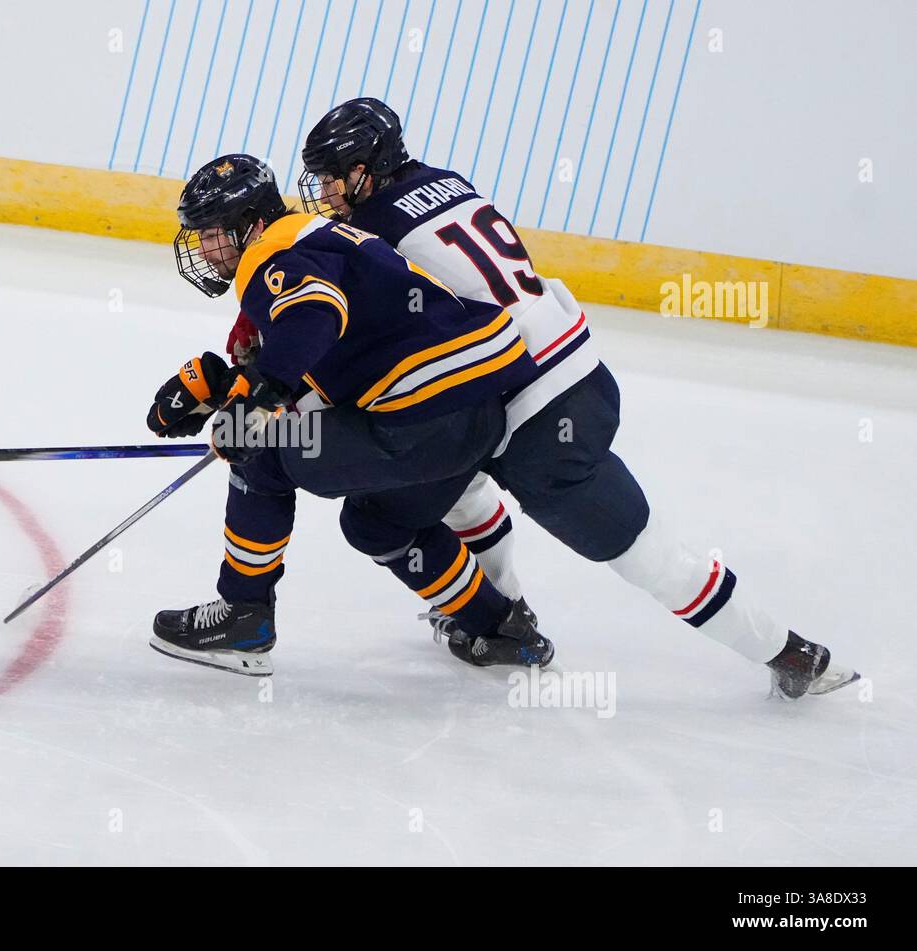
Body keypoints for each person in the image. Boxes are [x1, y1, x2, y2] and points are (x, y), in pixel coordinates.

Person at [293, 97, 859, 700]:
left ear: (370, 167)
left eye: (336, 174)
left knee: (645, 554)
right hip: (537, 379)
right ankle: (502, 616)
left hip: (540, 409)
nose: (326, 189)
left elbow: (363, 327)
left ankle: (792, 654)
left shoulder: (373, 229)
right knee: (447, 481)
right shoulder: (445, 182)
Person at [145, 153, 550, 676]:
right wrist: (228, 387)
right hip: (475, 416)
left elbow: (316, 314)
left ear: (252, 224)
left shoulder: (271, 254)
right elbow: (330, 359)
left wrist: (253, 402)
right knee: (378, 525)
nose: (203, 247)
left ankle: (244, 617)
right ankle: (502, 630)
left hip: (420, 413)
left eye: (213, 232)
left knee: (263, 455)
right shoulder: (321, 236)